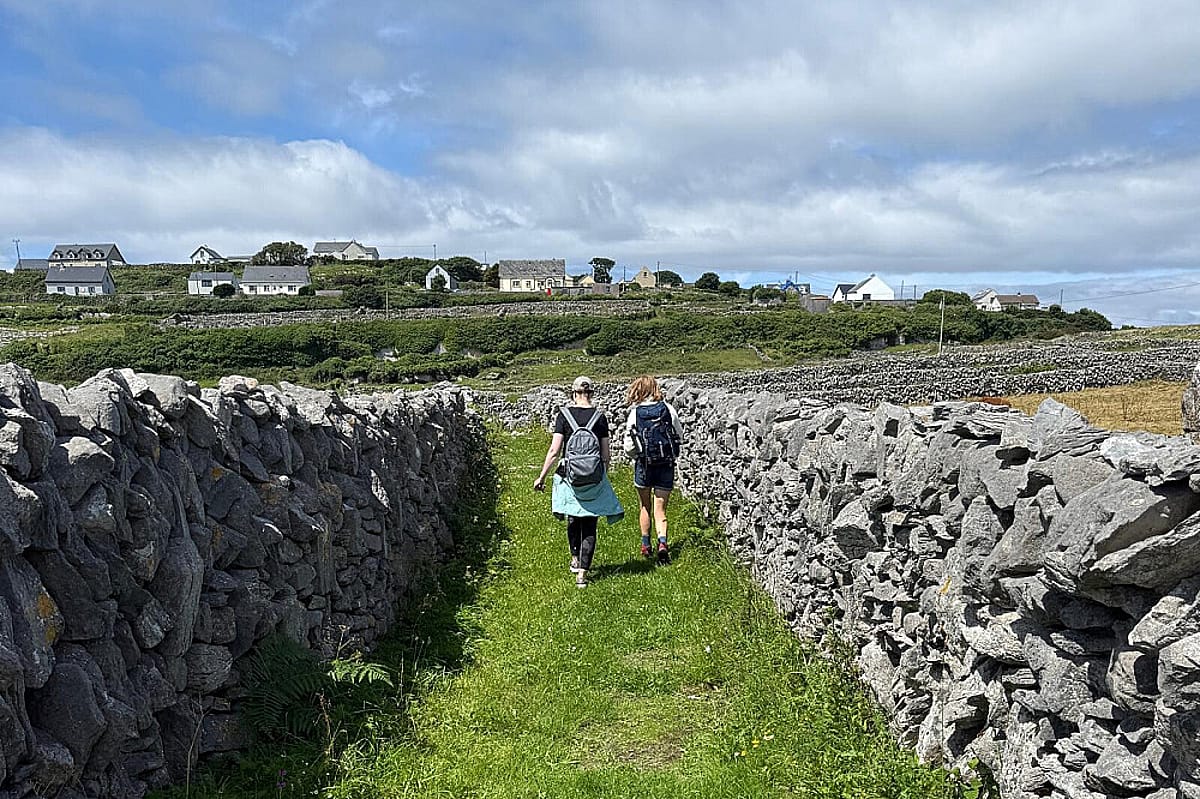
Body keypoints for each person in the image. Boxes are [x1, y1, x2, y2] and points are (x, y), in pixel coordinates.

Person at [534, 376, 624, 588]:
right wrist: (603, 476)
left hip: (570, 476)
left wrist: (542, 476)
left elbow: (555, 450)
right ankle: (582, 574)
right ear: (591, 393)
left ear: (573, 393)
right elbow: (605, 453)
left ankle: (575, 557)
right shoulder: (600, 417)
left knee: (573, 517)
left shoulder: (564, 416)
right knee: (590, 523)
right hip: (593, 477)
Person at [623, 375, 683, 564]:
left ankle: (646, 545)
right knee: (661, 509)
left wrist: (638, 457)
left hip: (644, 465)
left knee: (645, 506)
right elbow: (678, 435)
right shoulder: (668, 409)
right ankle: (663, 543)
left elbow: (628, 445)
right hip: (665, 464)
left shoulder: (635, 413)